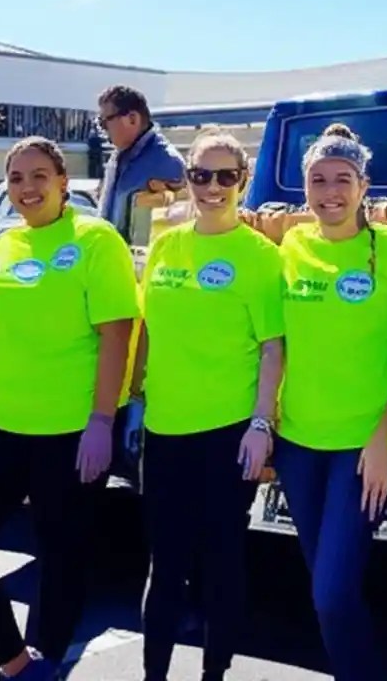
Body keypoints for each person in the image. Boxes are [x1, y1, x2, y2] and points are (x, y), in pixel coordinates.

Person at [0, 136, 140, 680]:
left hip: (70, 428)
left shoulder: (95, 239)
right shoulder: (2, 244)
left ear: (64, 181)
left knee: (61, 558)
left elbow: (117, 333)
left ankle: (47, 661)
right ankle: (16, 661)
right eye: (16, 178)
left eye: (39, 174)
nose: (27, 187)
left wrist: (101, 422)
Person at [272, 123, 387, 680]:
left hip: (363, 452)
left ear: (365, 185)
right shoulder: (291, 246)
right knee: (325, 588)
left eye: (343, 179)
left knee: (333, 594)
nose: (330, 192)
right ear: (304, 187)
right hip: (297, 444)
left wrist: (383, 436)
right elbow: (274, 342)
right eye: (318, 180)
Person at [132, 127, 284, 681]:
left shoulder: (261, 256)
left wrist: (261, 425)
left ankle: (213, 676)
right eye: (201, 175)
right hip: (164, 429)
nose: (212, 187)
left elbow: (273, 347)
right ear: (187, 179)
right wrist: (133, 398)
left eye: (225, 176)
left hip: (228, 432)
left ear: (243, 181)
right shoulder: (169, 244)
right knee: (165, 564)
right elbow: (148, 325)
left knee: (221, 562)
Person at [95, 83, 187, 242]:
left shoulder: (167, 163)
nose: (103, 129)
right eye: (99, 123)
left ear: (132, 119)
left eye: (105, 122)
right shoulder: (117, 159)